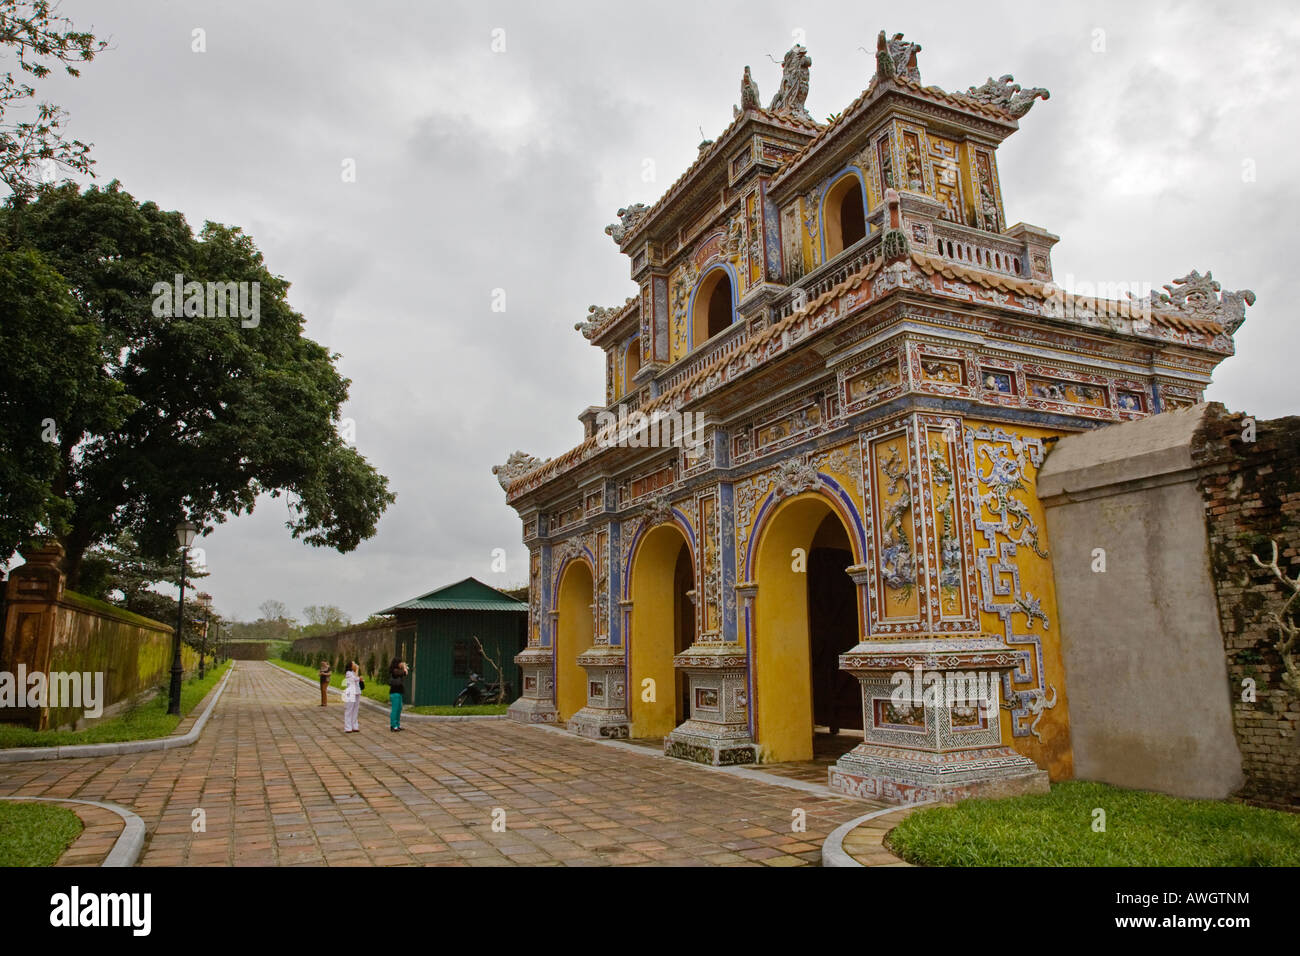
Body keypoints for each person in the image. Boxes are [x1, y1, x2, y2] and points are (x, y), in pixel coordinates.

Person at [389, 656, 409, 732]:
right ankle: (393, 725)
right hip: (395, 692)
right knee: (395, 709)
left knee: (399, 708)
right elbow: (404, 672)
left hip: (399, 692)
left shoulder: (398, 670)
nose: (401, 663)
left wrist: (404, 667)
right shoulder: (394, 670)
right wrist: (404, 667)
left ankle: (397, 724)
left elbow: (405, 673)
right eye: (400, 662)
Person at [342, 661, 362, 733]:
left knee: (355, 710)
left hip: (357, 692)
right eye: (354, 664)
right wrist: (357, 670)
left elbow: (357, 679)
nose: (356, 665)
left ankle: (355, 726)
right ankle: (348, 727)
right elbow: (354, 679)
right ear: (351, 666)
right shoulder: (348, 673)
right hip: (351, 693)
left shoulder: (354, 673)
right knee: (349, 710)